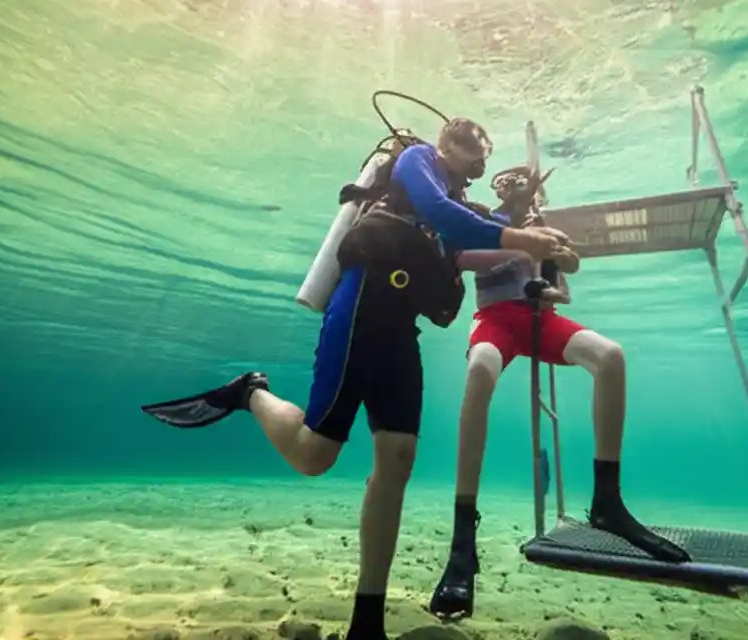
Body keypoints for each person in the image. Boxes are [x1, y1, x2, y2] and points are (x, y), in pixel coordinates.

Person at [139, 119, 570, 640]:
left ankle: (366, 622)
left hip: (399, 331)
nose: (481, 164)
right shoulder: (417, 165)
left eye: (487, 156)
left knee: (398, 460)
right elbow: (440, 212)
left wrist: (526, 241)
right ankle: (249, 391)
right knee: (314, 455)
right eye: (475, 152)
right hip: (361, 307)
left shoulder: (450, 205)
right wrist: (520, 235)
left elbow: (466, 250)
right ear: (446, 144)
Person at [429, 165, 692, 621]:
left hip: (541, 319)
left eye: (519, 180)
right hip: (496, 319)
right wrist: (519, 242)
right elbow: (463, 257)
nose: (511, 186)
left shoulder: (546, 224)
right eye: (504, 180)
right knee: (479, 373)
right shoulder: (481, 218)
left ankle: (607, 502)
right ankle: (462, 538)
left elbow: (571, 266)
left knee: (610, 357)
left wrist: (550, 251)